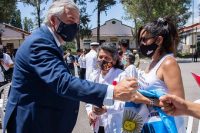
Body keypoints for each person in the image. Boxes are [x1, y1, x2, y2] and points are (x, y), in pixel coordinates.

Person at [4, 1, 139, 133]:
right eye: (71, 20)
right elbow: (62, 81)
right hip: (32, 123)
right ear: (53, 20)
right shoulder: (40, 43)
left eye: (77, 22)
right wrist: (112, 92)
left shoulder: (49, 43)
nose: (75, 26)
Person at [123, 17, 186, 132]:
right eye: (140, 40)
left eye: (144, 39)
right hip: (150, 123)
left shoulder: (168, 63)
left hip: (165, 126)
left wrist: (143, 99)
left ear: (159, 40)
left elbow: (180, 104)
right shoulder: (153, 62)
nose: (141, 43)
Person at [86, 43, 126, 133]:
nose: (102, 60)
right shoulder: (93, 75)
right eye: (100, 57)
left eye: (107, 58)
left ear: (114, 61)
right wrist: (89, 113)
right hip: (97, 124)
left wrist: (106, 109)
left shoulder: (121, 76)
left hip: (114, 125)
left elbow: (125, 102)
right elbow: (88, 98)